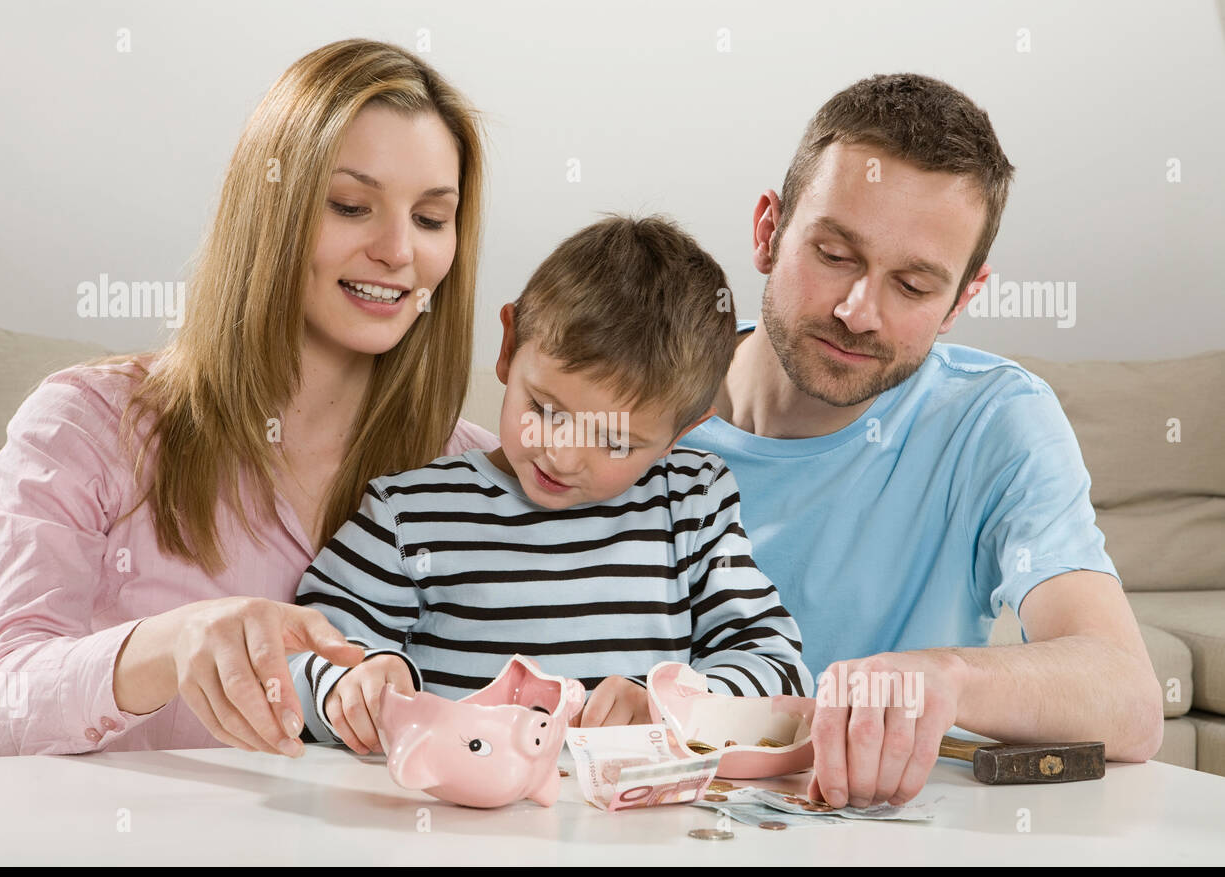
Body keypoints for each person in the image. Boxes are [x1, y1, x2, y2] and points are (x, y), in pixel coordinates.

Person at [0, 39, 499, 757]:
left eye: (431, 219)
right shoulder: (87, 427)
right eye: (350, 205)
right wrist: (163, 648)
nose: (398, 250)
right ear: (269, 208)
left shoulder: (479, 474)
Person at [686, 73, 1164, 808]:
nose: (859, 312)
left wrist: (943, 676)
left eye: (912, 286)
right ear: (767, 231)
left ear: (960, 302)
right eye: (835, 254)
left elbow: (1129, 699)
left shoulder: (995, 421)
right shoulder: (641, 401)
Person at [289, 215, 813, 754]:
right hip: (458, 829)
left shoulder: (690, 504)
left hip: (639, 831)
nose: (560, 455)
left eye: (614, 442)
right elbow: (302, 647)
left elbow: (781, 673)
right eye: (545, 408)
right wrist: (349, 687)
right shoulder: (411, 512)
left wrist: (672, 703)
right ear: (508, 345)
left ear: (683, 432)